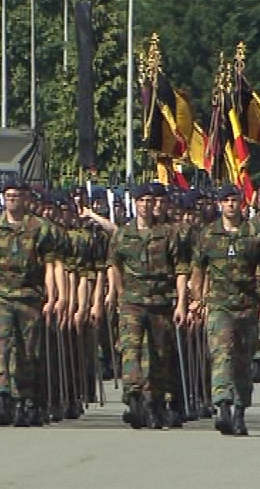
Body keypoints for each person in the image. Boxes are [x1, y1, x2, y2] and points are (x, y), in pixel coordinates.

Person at [0, 179, 64, 427]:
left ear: (26, 198)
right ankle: (1, 396)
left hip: (29, 297)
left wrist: (54, 296)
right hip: (0, 296)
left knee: (28, 351)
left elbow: (50, 265)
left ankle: (27, 400)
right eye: (9, 195)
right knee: (0, 345)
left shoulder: (40, 228)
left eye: (17, 195)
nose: (12, 198)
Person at [102, 182, 190, 430]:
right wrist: (118, 293)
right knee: (130, 349)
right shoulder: (122, 233)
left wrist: (181, 302)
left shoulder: (168, 233)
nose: (146, 206)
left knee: (159, 355)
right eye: (141, 201)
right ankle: (134, 395)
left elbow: (181, 270)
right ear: (135, 203)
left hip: (160, 301)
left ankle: (155, 402)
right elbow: (113, 265)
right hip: (132, 301)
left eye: (150, 201)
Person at [189, 184, 260, 436]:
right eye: (226, 201)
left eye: (235, 200)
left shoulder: (255, 233)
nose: (231, 205)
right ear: (220, 205)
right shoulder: (208, 234)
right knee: (222, 353)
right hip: (219, 304)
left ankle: (239, 410)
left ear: (241, 203)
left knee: (243, 361)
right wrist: (197, 299)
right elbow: (198, 269)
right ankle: (222, 404)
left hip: (247, 306)